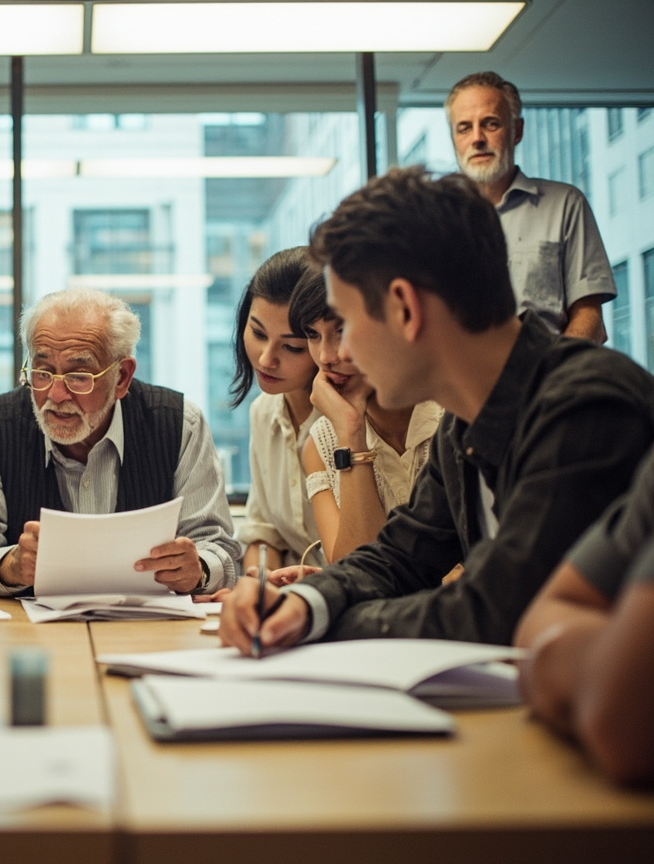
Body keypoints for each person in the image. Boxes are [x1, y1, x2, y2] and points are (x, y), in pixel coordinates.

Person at [218, 166, 654, 653]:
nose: (334, 355)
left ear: (405, 308)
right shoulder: (465, 421)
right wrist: (305, 602)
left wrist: (320, 622)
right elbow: (399, 557)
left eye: (348, 323)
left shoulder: (586, 406)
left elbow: (496, 612)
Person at [0, 287, 240, 596]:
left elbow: (219, 550)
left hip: (149, 628)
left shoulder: (179, 424)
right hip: (28, 633)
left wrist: (197, 568)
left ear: (121, 377)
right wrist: (8, 566)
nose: (55, 395)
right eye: (43, 372)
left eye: (79, 376)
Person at [515, 448, 654, 785]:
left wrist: (555, 661)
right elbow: (540, 618)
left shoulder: (588, 408)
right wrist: (609, 654)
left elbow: (621, 720)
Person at [446, 71, 615, 343]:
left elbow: (589, 317)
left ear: (517, 131)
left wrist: (554, 378)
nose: (477, 138)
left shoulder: (565, 205)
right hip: (456, 382)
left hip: (545, 378)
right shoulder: (430, 219)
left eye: (490, 124)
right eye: (464, 127)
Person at [289, 271, 443, 563]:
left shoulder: (451, 411)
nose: (325, 356)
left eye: (342, 330)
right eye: (313, 335)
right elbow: (358, 569)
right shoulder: (321, 443)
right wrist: (350, 432)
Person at [230, 248, 323, 575]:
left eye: (292, 347)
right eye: (257, 333)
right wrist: (261, 585)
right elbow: (262, 531)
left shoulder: (357, 419)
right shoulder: (264, 412)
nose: (266, 359)